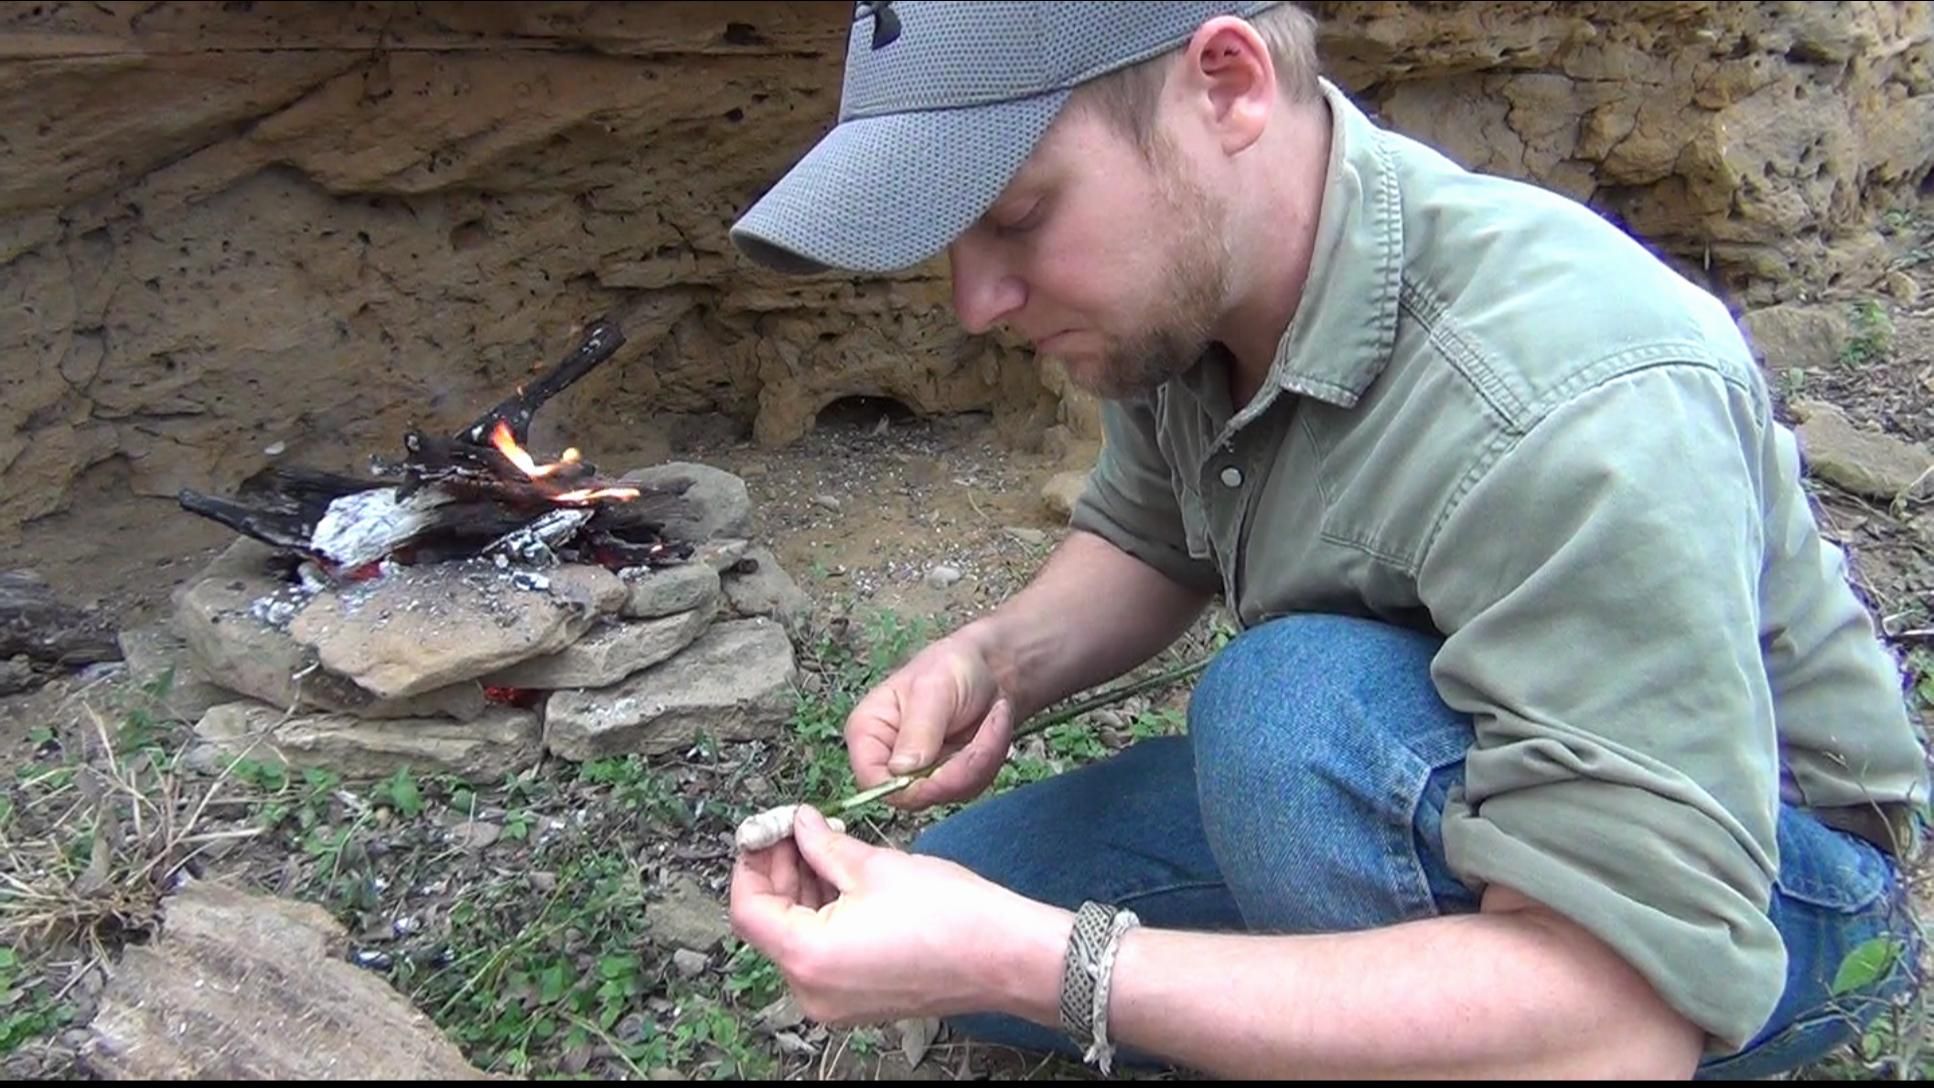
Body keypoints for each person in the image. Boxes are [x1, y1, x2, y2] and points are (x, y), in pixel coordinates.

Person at [721, 1, 1931, 1079]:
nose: (974, 301)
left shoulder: (1569, 391)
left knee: (1281, 716)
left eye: (1017, 214)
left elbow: (1620, 1029)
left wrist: (1051, 964)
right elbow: (1150, 538)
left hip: (1769, 882)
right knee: (982, 870)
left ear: (1229, 84)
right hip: (1433, 760)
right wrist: (997, 658)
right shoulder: (1191, 289)